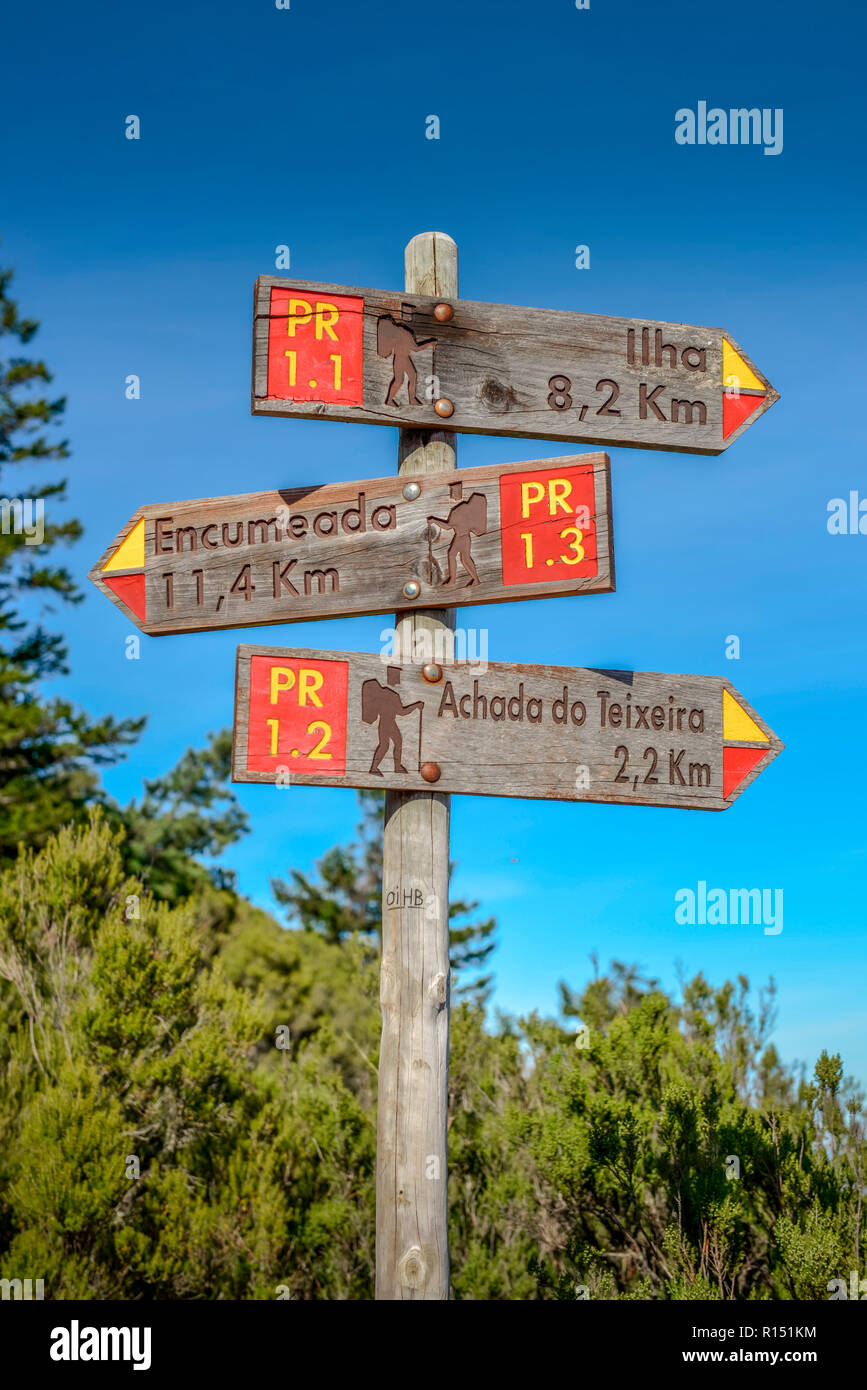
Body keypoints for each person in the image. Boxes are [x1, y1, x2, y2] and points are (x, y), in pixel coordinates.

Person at [362, 667, 424, 774]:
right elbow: (402, 712)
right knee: (386, 745)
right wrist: (416, 706)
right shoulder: (391, 695)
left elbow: (401, 711)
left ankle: (394, 767)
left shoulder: (385, 693)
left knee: (394, 743)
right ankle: (376, 768)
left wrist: (416, 706)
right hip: (387, 723)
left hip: (387, 723)